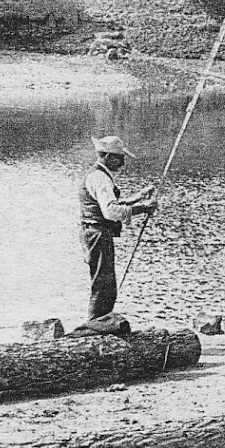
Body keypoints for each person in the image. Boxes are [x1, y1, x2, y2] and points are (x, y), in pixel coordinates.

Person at [79, 135, 158, 321]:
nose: (122, 163)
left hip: (93, 232)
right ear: (107, 157)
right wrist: (143, 208)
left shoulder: (97, 175)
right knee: (103, 285)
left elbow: (108, 204)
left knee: (106, 284)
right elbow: (111, 212)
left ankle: (101, 325)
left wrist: (138, 197)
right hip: (97, 234)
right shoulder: (100, 178)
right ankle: (96, 327)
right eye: (120, 158)